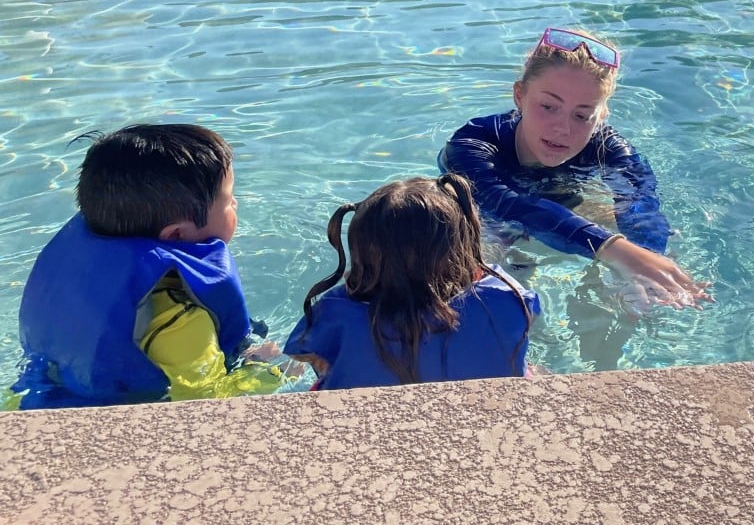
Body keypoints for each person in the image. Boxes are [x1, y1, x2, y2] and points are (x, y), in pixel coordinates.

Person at [9, 124, 285, 409]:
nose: (236, 203)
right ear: (176, 235)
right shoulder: (178, 317)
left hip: (35, 396)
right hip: (105, 418)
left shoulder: (84, 263)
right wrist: (261, 369)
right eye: (228, 201)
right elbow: (207, 401)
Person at [440, 26, 710, 309]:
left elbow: (640, 200)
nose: (563, 128)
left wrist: (644, 259)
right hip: (491, 219)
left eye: (582, 116)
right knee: (469, 268)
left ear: (601, 116)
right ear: (519, 95)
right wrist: (612, 248)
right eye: (548, 106)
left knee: (662, 251)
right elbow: (506, 203)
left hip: (565, 208)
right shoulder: (472, 143)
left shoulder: (609, 147)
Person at [284, 175, 540, 389]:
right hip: (479, 417)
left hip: (371, 424)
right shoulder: (506, 297)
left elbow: (306, 355)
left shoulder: (335, 313)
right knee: (532, 371)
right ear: (463, 250)